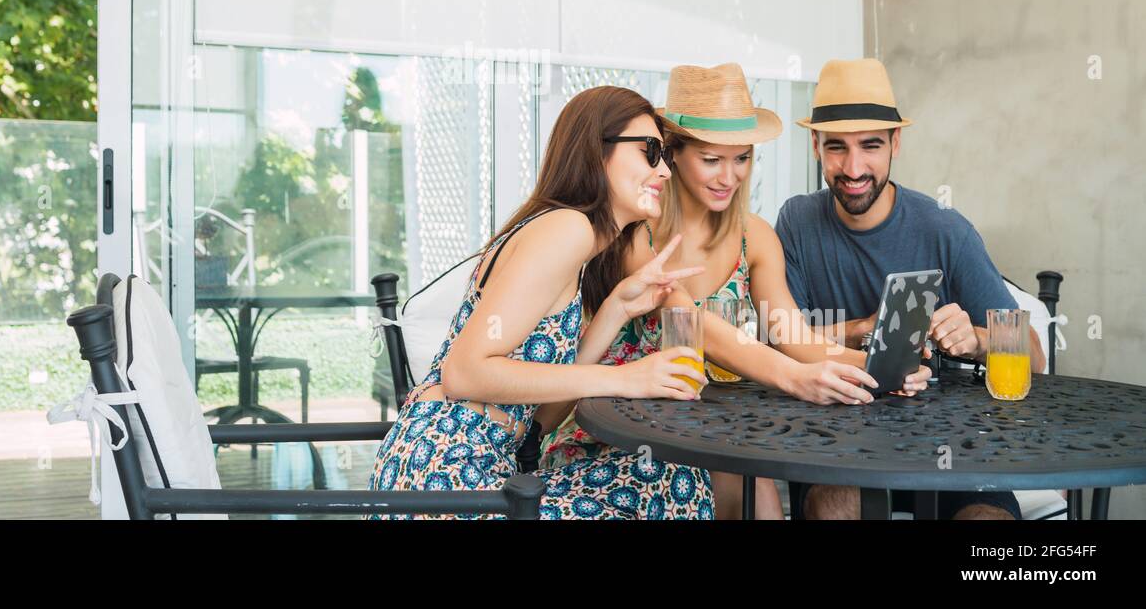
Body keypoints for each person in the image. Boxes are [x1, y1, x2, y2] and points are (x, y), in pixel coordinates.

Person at [538, 64, 929, 519]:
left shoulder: (756, 237)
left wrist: (879, 368)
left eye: (742, 158)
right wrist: (792, 377)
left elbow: (790, 332)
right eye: (711, 159)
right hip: (620, 429)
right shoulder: (635, 232)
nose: (730, 176)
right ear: (673, 155)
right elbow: (692, 322)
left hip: (712, 428)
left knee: (756, 488)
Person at [367, 85, 716, 519]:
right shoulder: (567, 229)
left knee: (665, 478)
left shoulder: (570, 239)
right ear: (596, 150)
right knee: (673, 484)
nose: (664, 171)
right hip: (447, 471)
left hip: (477, 467)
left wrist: (616, 310)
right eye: (650, 150)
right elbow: (464, 372)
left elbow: (541, 414)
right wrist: (626, 379)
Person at [776, 58, 1045, 520]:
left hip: (951, 448)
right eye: (836, 147)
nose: (853, 167)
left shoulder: (946, 231)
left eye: (871, 146)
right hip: (834, 446)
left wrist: (977, 341)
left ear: (896, 143)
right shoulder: (797, 222)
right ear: (815, 145)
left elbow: (1036, 359)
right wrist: (868, 330)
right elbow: (783, 342)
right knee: (833, 508)